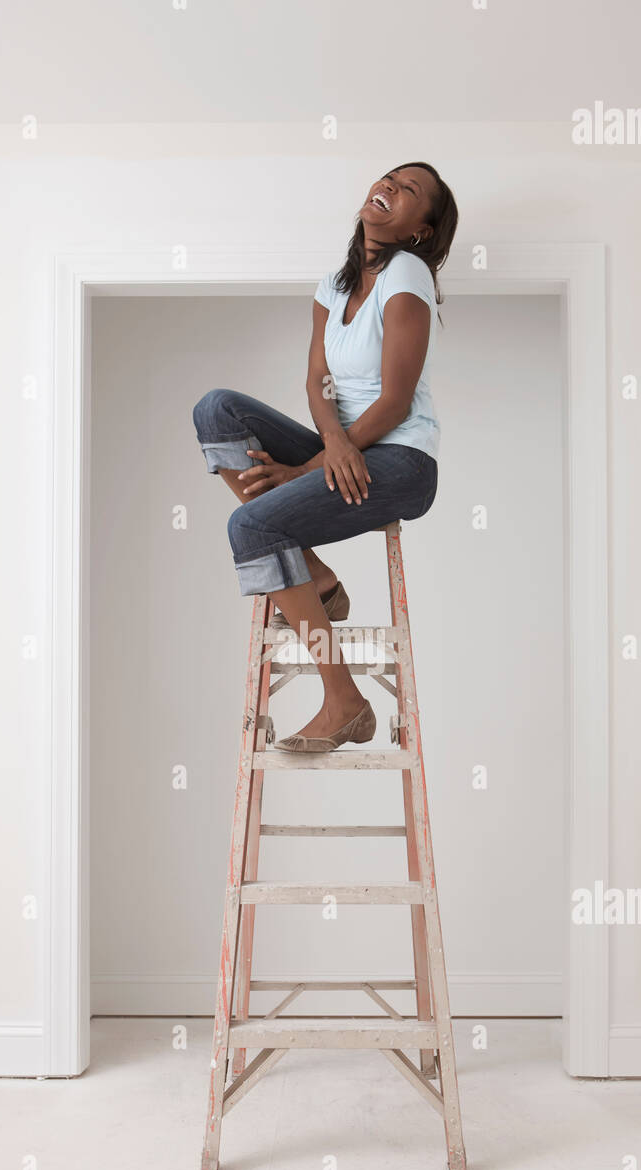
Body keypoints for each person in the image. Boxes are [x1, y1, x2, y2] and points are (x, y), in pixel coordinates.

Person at [193, 162, 458, 751]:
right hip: (346, 446)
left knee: (251, 526)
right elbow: (318, 383)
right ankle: (317, 579)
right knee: (217, 410)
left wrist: (308, 466)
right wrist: (330, 446)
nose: (389, 187)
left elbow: (393, 402)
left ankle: (345, 702)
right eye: (389, 178)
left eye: (408, 190)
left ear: (420, 230)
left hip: (401, 462)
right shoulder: (333, 285)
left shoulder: (407, 273)